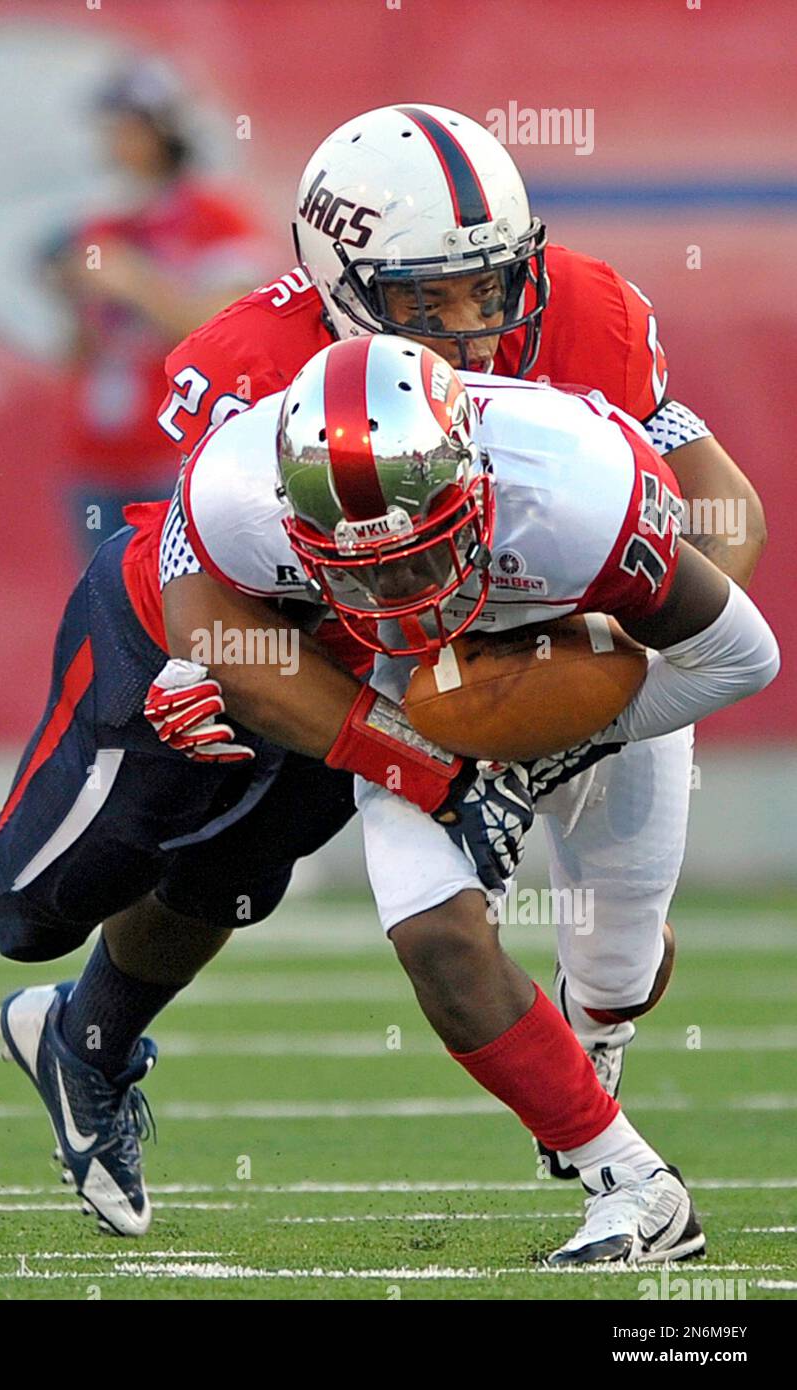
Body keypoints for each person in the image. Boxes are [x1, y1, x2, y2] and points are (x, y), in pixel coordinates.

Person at [0, 340, 779, 1261]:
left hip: (386, 679)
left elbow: (737, 652)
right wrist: (422, 761)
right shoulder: (234, 490)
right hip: (205, 656)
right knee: (21, 904)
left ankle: (83, 1043)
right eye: (361, 574)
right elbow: (213, 639)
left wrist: (533, 747)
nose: (401, 599)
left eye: (419, 561)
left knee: (234, 882)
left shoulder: (581, 487)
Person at [157, 104, 768, 1171]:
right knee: (432, 930)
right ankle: (617, 1175)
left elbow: (718, 513)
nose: (474, 326)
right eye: (426, 298)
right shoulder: (253, 364)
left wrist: (628, 632)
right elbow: (202, 573)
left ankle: (602, 1017)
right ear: (339, 281)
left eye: (485, 284)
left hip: (575, 637)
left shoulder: (584, 314)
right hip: (400, 668)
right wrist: (200, 664)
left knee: (620, 965)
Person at [44, 64, 269, 555]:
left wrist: (134, 284)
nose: (114, 141)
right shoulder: (101, 223)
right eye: (110, 128)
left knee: (177, 612)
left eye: (127, 126)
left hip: (179, 455)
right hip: (97, 458)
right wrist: (71, 300)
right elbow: (75, 355)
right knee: (104, 614)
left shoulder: (218, 219)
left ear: (162, 129)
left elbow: (224, 333)